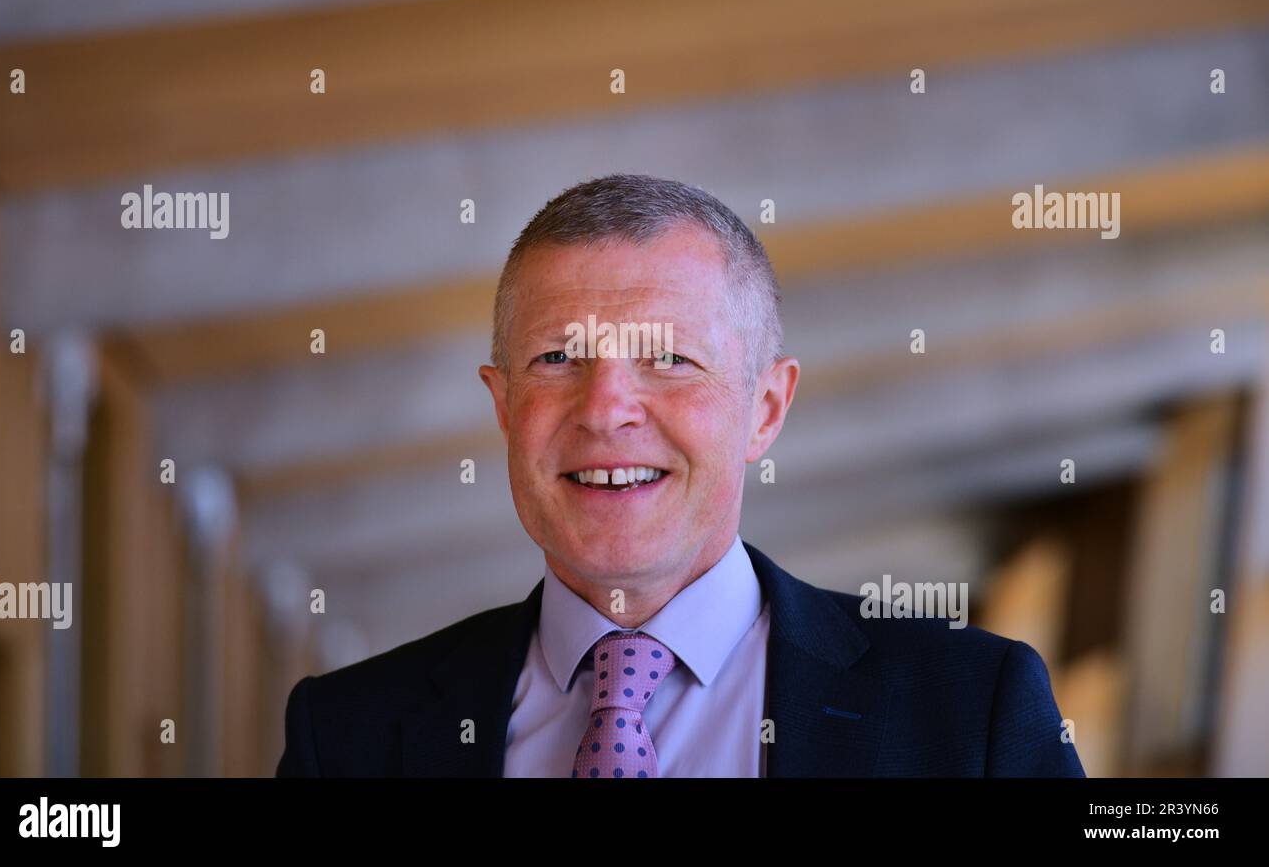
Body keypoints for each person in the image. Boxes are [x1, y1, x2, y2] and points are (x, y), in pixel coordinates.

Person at [277, 174, 1084, 777]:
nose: (606, 410)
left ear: (764, 409)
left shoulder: (971, 714)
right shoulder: (348, 737)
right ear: (503, 406)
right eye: (558, 359)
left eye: (669, 360)